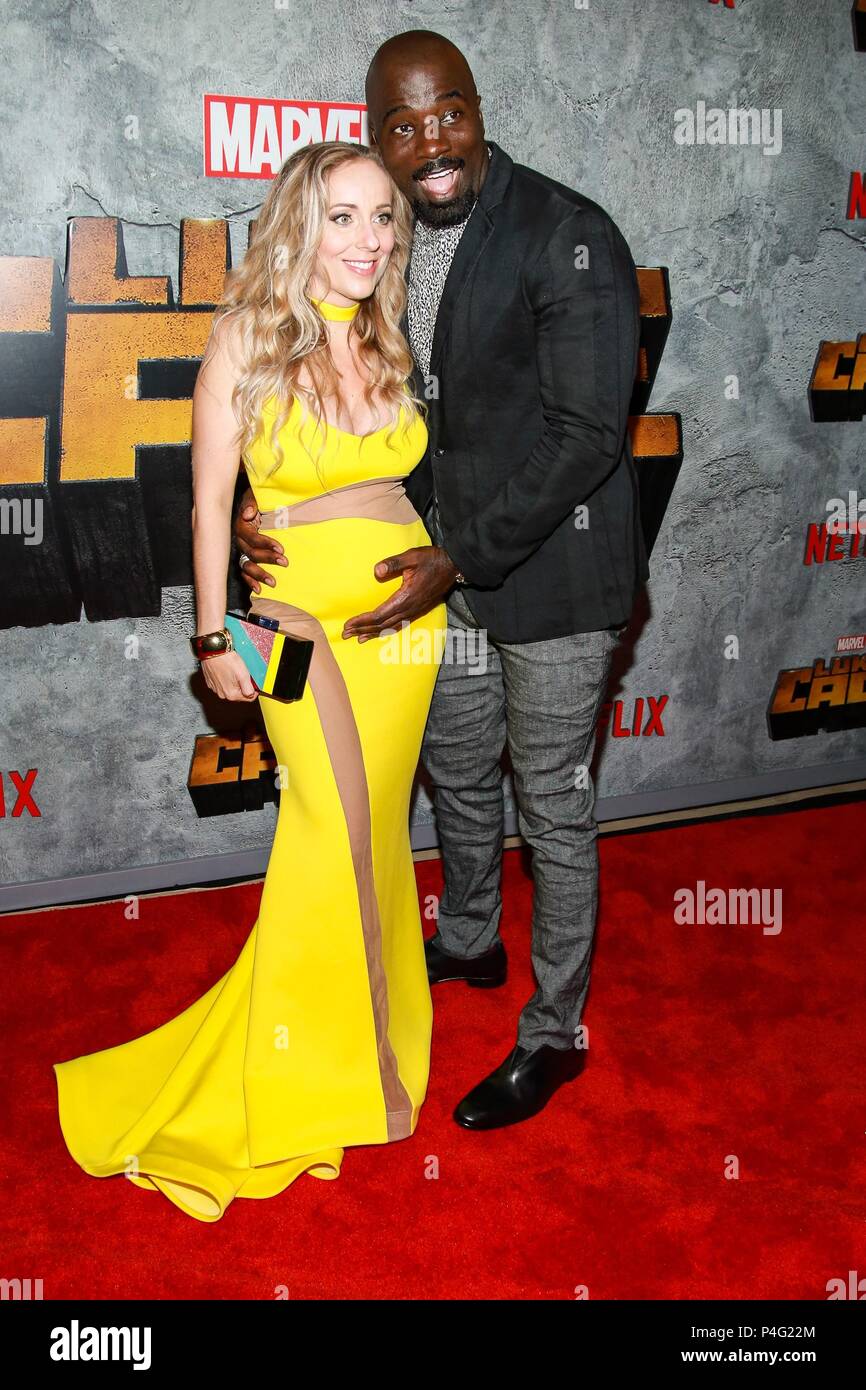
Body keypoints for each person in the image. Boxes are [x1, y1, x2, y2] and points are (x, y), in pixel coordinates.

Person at [235, 31, 648, 1132]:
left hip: (552, 582)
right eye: (402, 125)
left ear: (477, 109)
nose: (429, 143)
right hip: (443, 582)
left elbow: (581, 437)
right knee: (457, 777)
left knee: (549, 810)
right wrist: (268, 498)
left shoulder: (565, 235)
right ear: (375, 135)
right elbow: (382, 423)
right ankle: (468, 935)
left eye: (447, 114)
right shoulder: (389, 243)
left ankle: (553, 1034)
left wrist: (458, 556)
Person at [52, 141, 446, 1221]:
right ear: (298, 226)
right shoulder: (242, 337)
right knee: (329, 825)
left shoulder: (384, 333)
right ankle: (314, 1066)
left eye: (382, 219)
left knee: (373, 837)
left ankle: (362, 1038)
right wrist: (213, 636)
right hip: (284, 622)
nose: (367, 238)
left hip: (405, 629)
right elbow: (207, 500)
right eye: (342, 217)